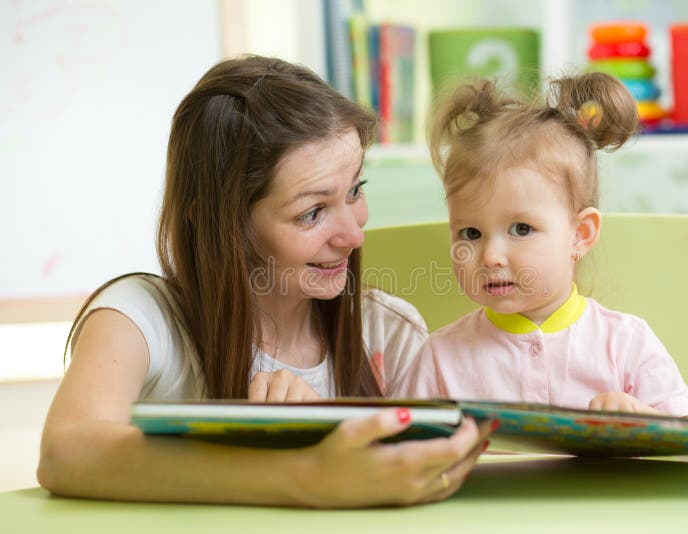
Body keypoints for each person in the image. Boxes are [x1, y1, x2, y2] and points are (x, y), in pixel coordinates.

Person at [37, 55, 493, 508]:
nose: (354, 235)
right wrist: (301, 473)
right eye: (311, 212)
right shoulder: (140, 319)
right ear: (222, 225)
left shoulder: (387, 333)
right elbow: (65, 453)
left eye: (355, 189)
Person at [391, 72, 688, 418]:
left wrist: (643, 422)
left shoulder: (626, 342)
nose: (490, 257)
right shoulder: (440, 358)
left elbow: (687, 439)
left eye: (521, 229)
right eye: (471, 234)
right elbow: (397, 453)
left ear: (580, 234)